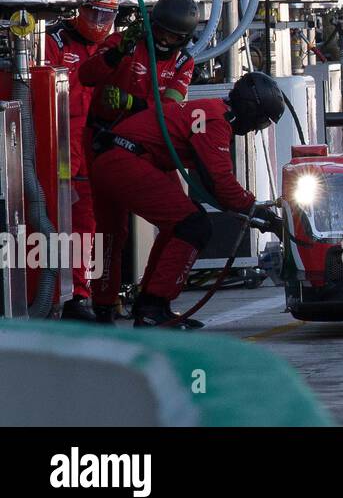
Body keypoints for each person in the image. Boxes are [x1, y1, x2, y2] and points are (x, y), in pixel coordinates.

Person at [88, 72, 284, 328]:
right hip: (126, 159)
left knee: (118, 235)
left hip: (116, 155)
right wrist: (266, 218)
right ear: (250, 110)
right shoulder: (216, 119)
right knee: (193, 225)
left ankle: (115, 308)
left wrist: (257, 214)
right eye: (260, 124)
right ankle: (151, 305)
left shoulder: (210, 110)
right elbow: (221, 184)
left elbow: (215, 184)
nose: (255, 130)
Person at [46, 0, 118, 322]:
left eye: (106, 16)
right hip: (52, 148)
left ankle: (82, 294)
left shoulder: (113, 48)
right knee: (46, 221)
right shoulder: (54, 40)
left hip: (91, 150)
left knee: (89, 225)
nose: (99, 23)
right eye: (94, 14)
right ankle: (49, 294)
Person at [80, 0, 198, 148]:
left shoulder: (183, 62)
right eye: (160, 32)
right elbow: (85, 76)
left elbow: (169, 109)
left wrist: (130, 102)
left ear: (184, 39)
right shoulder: (123, 41)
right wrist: (116, 54)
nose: (164, 40)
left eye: (172, 36)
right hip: (105, 134)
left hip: (148, 139)